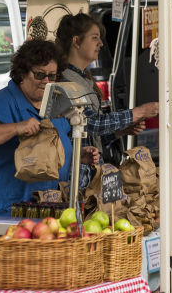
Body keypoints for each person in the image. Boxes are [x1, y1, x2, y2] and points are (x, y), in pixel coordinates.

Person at [0, 39, 61, 217]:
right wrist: (16, 128)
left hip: (39, 215)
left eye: (51, 76)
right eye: (39, 74)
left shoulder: (54, 105)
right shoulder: (1, 103)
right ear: (22, 74)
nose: (46, 81)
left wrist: (78, 156)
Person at [56, 12, 156, 173]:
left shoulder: (82, 79)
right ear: (76, 41)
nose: (101, 43)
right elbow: (91, 124)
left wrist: (119, 131)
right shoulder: (66, 82)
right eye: (94, 37)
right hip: (76, 175)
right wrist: (138, 112)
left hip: (91, 173)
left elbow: (89, 136)